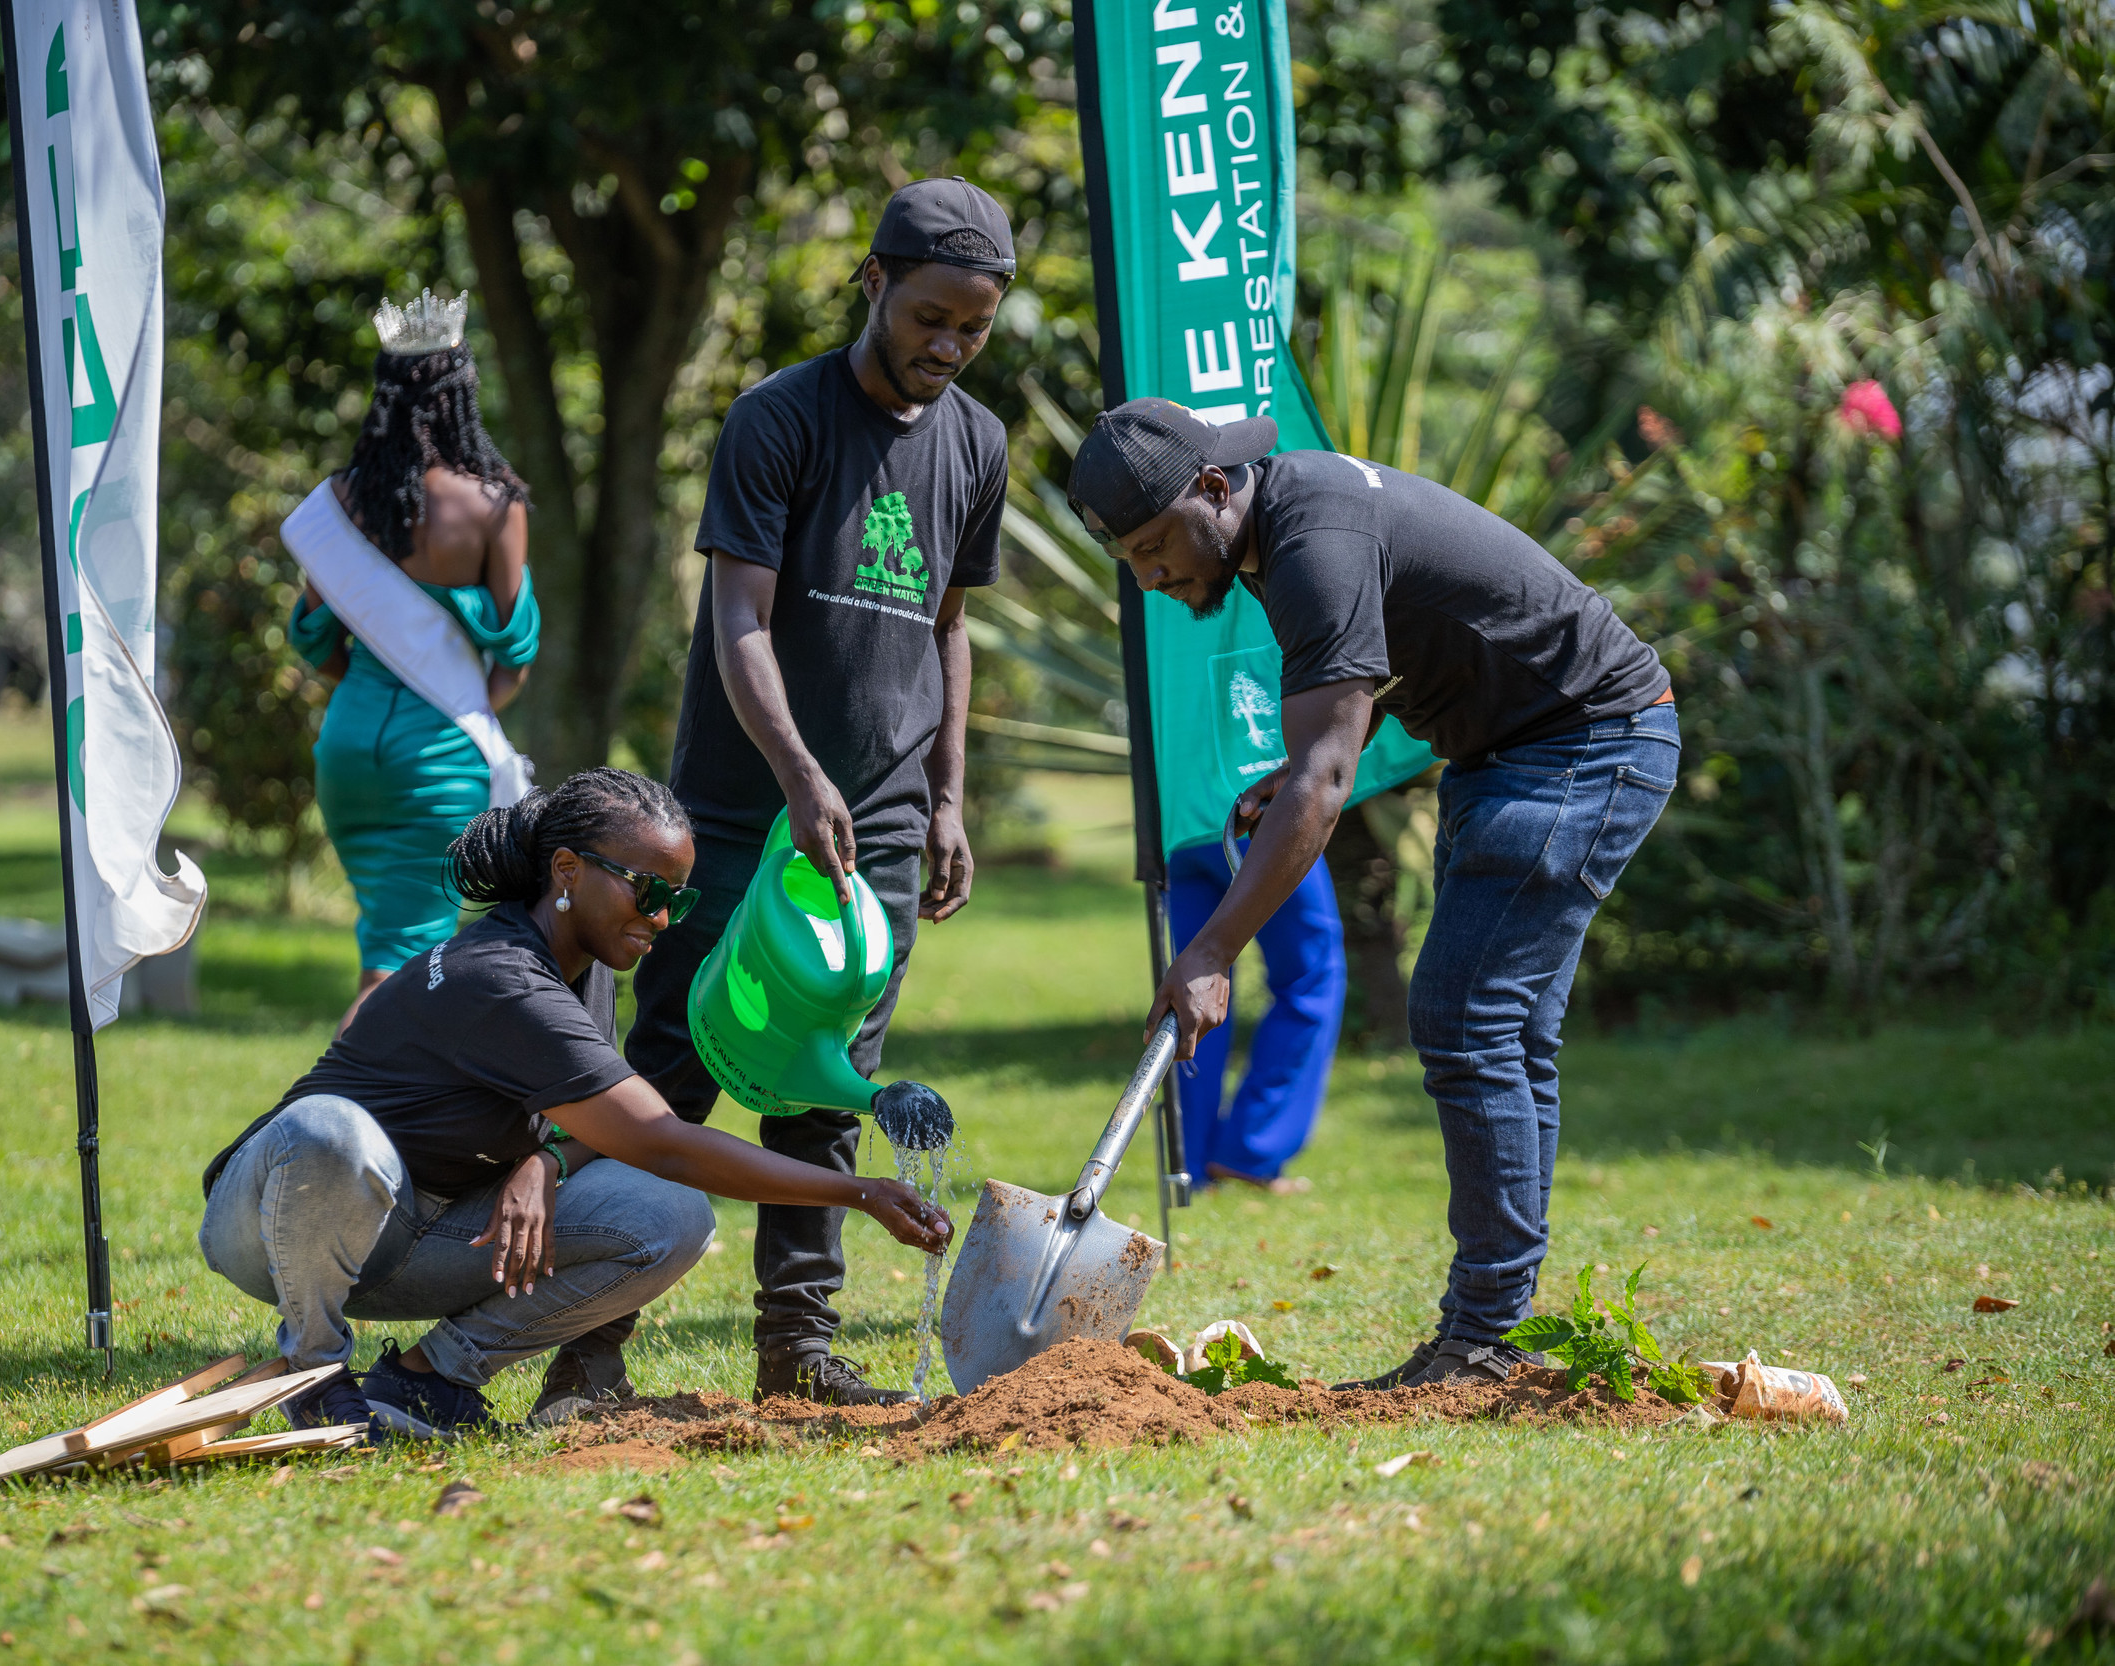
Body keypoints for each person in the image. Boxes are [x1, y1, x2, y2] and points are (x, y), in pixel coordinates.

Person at [1067, 399, 1677, 1389]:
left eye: (1152, 547)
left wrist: (1213, 950)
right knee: (1506, 1033)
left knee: (1468, 1015)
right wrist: (1298, 768)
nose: (1149, 577)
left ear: (1213, 491)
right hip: (1515, 751)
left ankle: (1484, 1337)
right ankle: (1493, 1331)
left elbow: (1326, 778)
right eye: (1128, 560)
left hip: (1584, 742)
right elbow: (1378, 667)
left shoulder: (1310, 539)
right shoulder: (1282, 529)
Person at [195, 768, 953, 1439]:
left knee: (673, 1218)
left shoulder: (581, 967)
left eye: (677, 903)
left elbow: (606, 1120)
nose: (660, 919)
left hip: (418, 1235)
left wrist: (546, 1161)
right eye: (648, 892)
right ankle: (315, 1378)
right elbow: (662, 1139)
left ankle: (429, 1381)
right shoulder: (500, 976)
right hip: (272, 1222)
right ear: (567, 870)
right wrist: (859, 1190)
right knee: (335, 1133)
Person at [623, 177, 1014, 1407]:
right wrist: (796, 773)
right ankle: (586, 1350)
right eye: (930, 317)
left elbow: (947, 628)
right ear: (873, 283)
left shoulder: (978, 444)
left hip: (884, 825)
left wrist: (947, 796)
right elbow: (736, 615)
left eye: (974, 329)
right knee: (675, 1064)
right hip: (743, 812)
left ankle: (796, 1355)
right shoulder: (778, 418)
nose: (947, 347)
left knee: (826, 1079)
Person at [287, 289, 538, 1030]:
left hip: (348, 745)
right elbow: (514, 657)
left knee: (387, 944)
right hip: (438, 756)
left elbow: (314, 641)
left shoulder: (342, 502)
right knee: (403, 961)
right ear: (462, 394)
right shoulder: (494, 504)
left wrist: (370, 694)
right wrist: (455, 707)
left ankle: (369, 1114)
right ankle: (344, 1112)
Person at [1166, 837, 1344, 1194]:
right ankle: (1251, 1150)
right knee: (1310, 977)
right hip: (1258, 818)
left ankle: (1192, 1164)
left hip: (1179, 822)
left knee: (1193, 989)